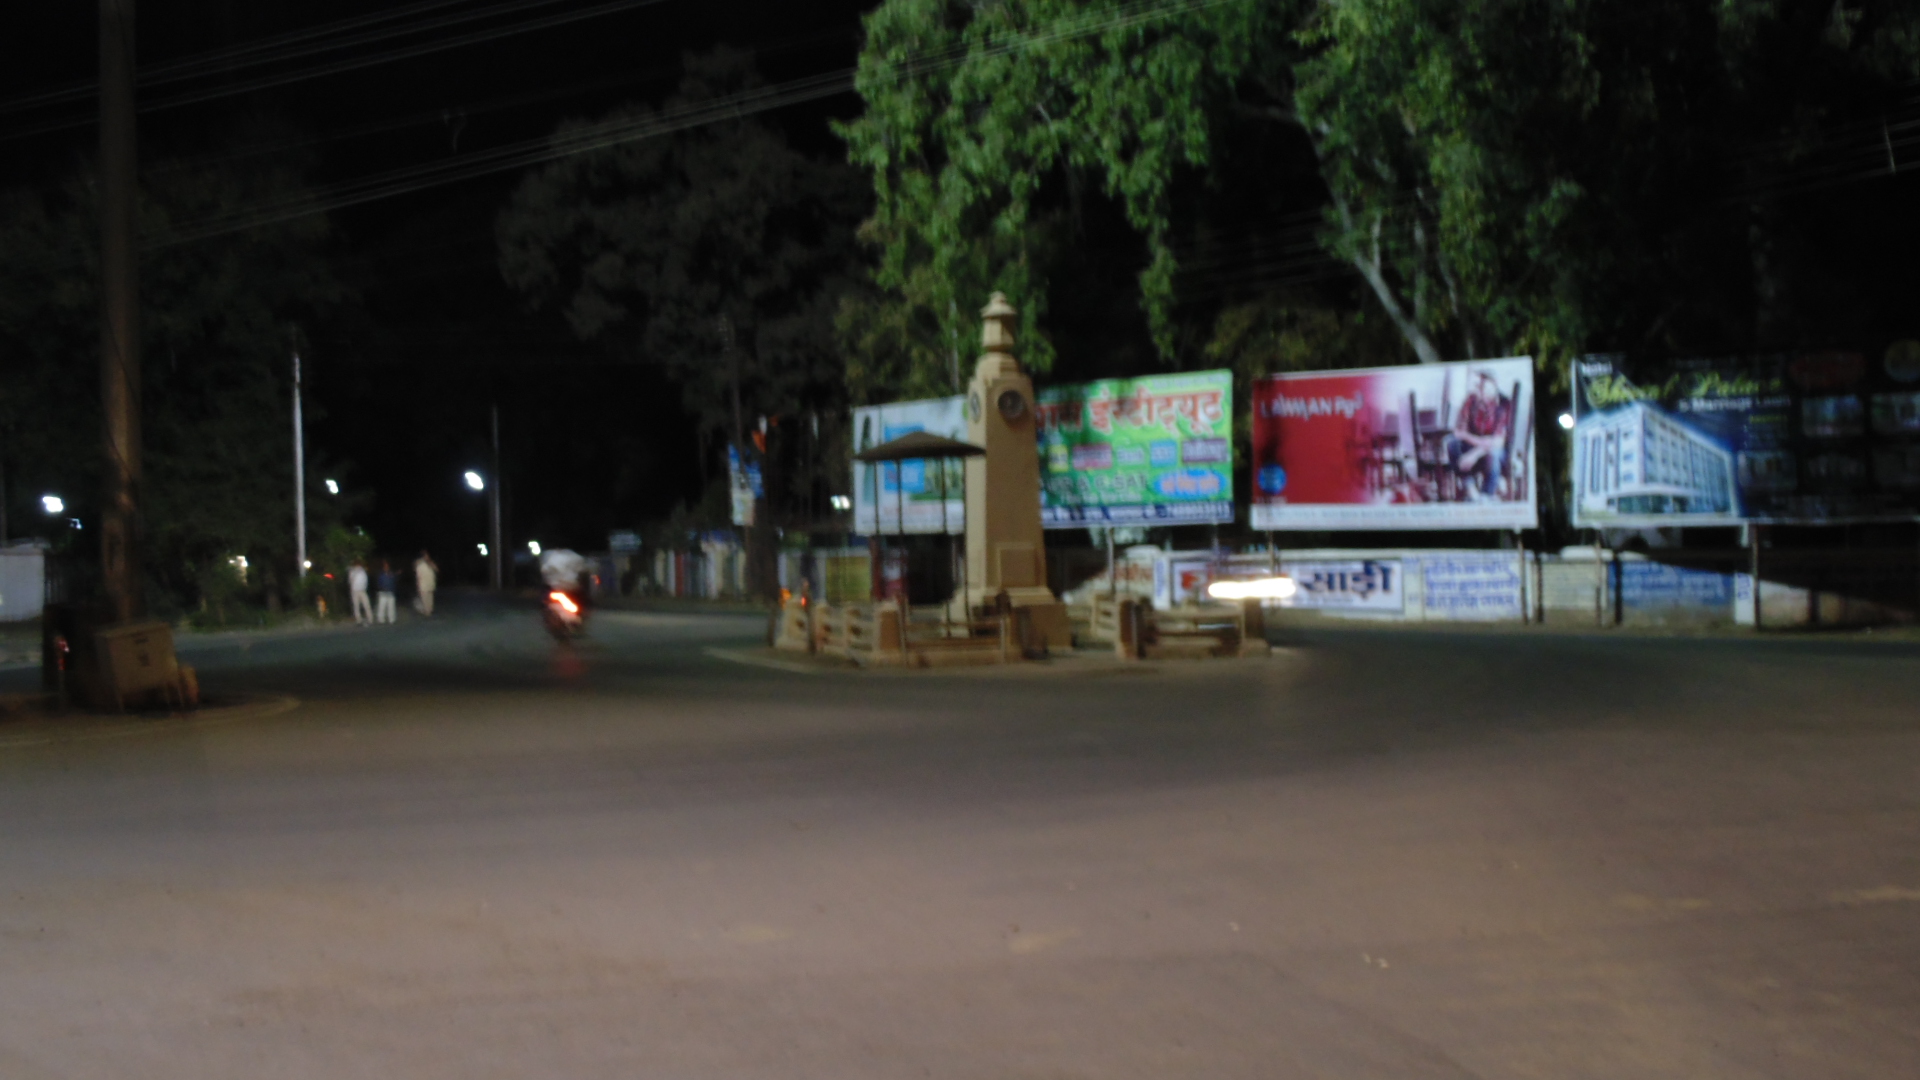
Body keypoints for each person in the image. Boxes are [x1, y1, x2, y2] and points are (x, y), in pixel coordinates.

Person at [1445, 370, 1512, 498]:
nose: (1479, 390)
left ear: (1494, 385)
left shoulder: (1504, 404)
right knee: (1451, 443)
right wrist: (1478, 442)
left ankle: (1487, 495)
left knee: (1492, 454)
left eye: (1483, 386)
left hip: (1497, 450)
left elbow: (1498, 441)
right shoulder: (1471, 399)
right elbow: (1459, 432)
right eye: (1478, 385)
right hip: (1477, 445)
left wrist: (1474, 454)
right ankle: (1469, 486)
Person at [413, 550, 439, 616]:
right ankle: (427, 611)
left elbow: (437, 570)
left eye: (427, 555)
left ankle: (429, 610)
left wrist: (431, 563)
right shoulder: (419, 565)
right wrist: (418, 586)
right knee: (425, 599)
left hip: (430, 583)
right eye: (426, 556)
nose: (427, 557)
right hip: (423, 585)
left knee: (430, 598)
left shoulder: (430, 563)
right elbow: (418, 577)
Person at [348, 559, 373, 625]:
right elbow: (351, 581)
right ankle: (360, 620)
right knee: (358, 606)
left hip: (361, 590)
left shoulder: (361, 571)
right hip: (356, 591)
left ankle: (369, 619)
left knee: (364, 605)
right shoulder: (353, 571)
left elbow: (364, 580)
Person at [375, 559, 398, 624]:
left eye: (387, 566)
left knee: (391, 607)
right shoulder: (381, 575)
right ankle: (381, 619)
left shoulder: (392, 575)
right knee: (382, 607)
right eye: (385, 566)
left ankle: (392, 619)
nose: (386, 568)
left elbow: (394, 583)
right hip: (383, 593)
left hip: (390, 593)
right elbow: (379, 584)